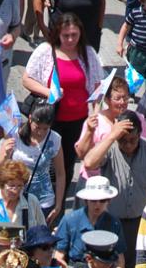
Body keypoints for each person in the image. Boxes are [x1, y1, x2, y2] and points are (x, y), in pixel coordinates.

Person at [21, 14, 102, 190]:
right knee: (44, 164)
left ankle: (59, 206)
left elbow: (97, 89)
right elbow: (26, 79)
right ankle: (40, 204)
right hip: (50, 120)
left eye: (74, 34)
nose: (71, 39)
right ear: (57, 34)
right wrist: (49, 92)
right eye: (66, 35)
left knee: (66, 166)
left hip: (77, 120)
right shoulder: (45, 50)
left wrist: (95, 115)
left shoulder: (88, 53)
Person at [80, 110, 146, 268]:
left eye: (132, 140)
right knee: (108, 264)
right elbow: (89, 163)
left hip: (139, 222)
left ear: (140, 134)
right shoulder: (110, 147)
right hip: (111, 220)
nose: (127, 145)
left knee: (135, 267)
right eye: (123, 141)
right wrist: (112, 136)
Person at [55, 175, 126, 268]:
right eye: (93, 200)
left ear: (109, 201)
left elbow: (120, 259)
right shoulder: (69, 220)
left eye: (102, 200)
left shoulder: (114, 223)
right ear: (86, 200)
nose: (98, 204)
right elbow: (59, 255)